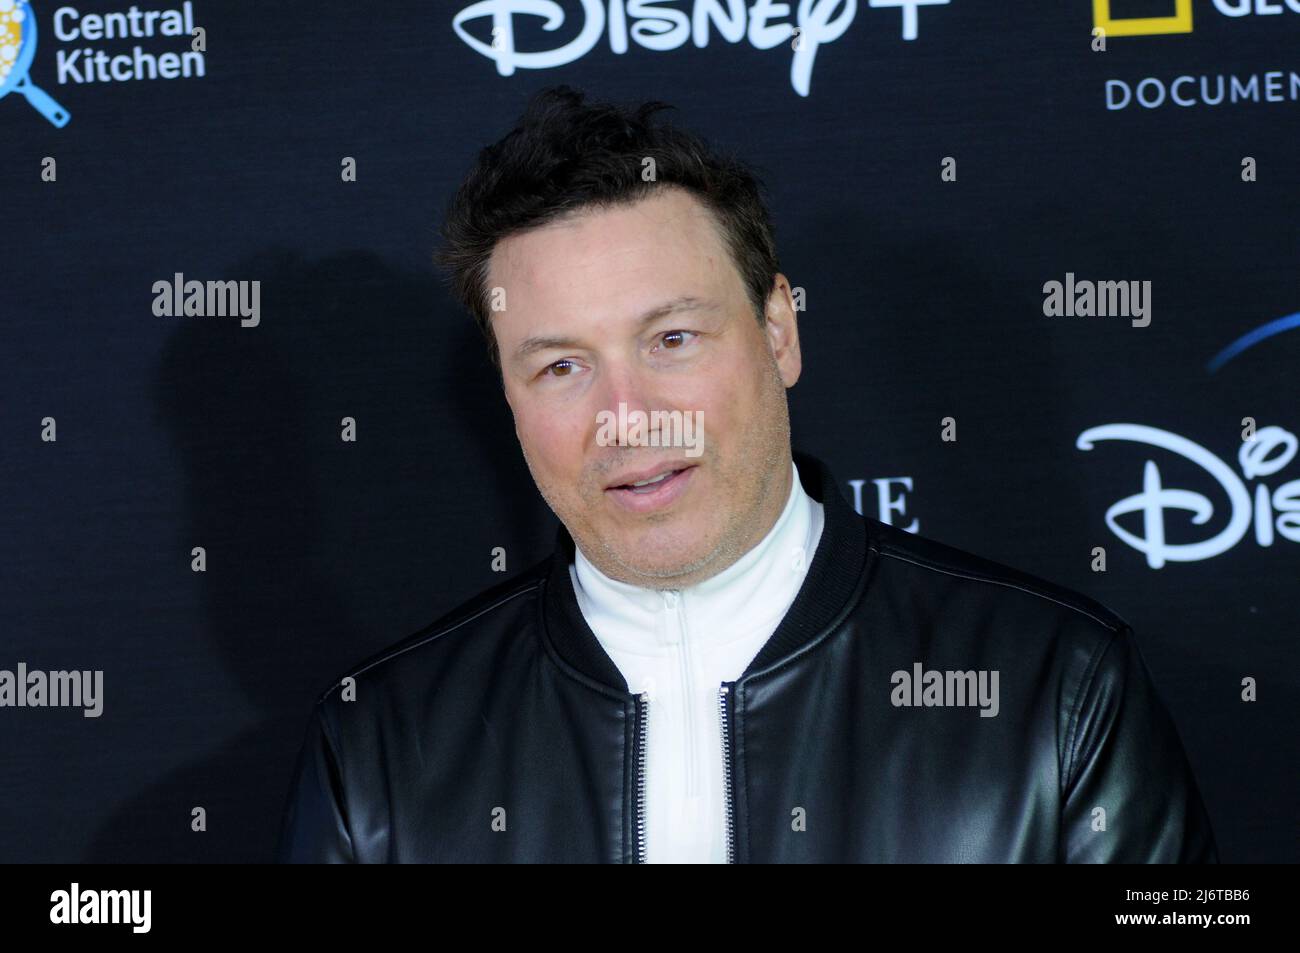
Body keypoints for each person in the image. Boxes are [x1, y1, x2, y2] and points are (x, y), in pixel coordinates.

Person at [275, 85, 1218, 863]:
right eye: (561, 365)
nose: (629, 416)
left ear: (779, 331)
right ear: (509, 398)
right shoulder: (379, 747)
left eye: (672, 338)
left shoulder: (1058, 685)